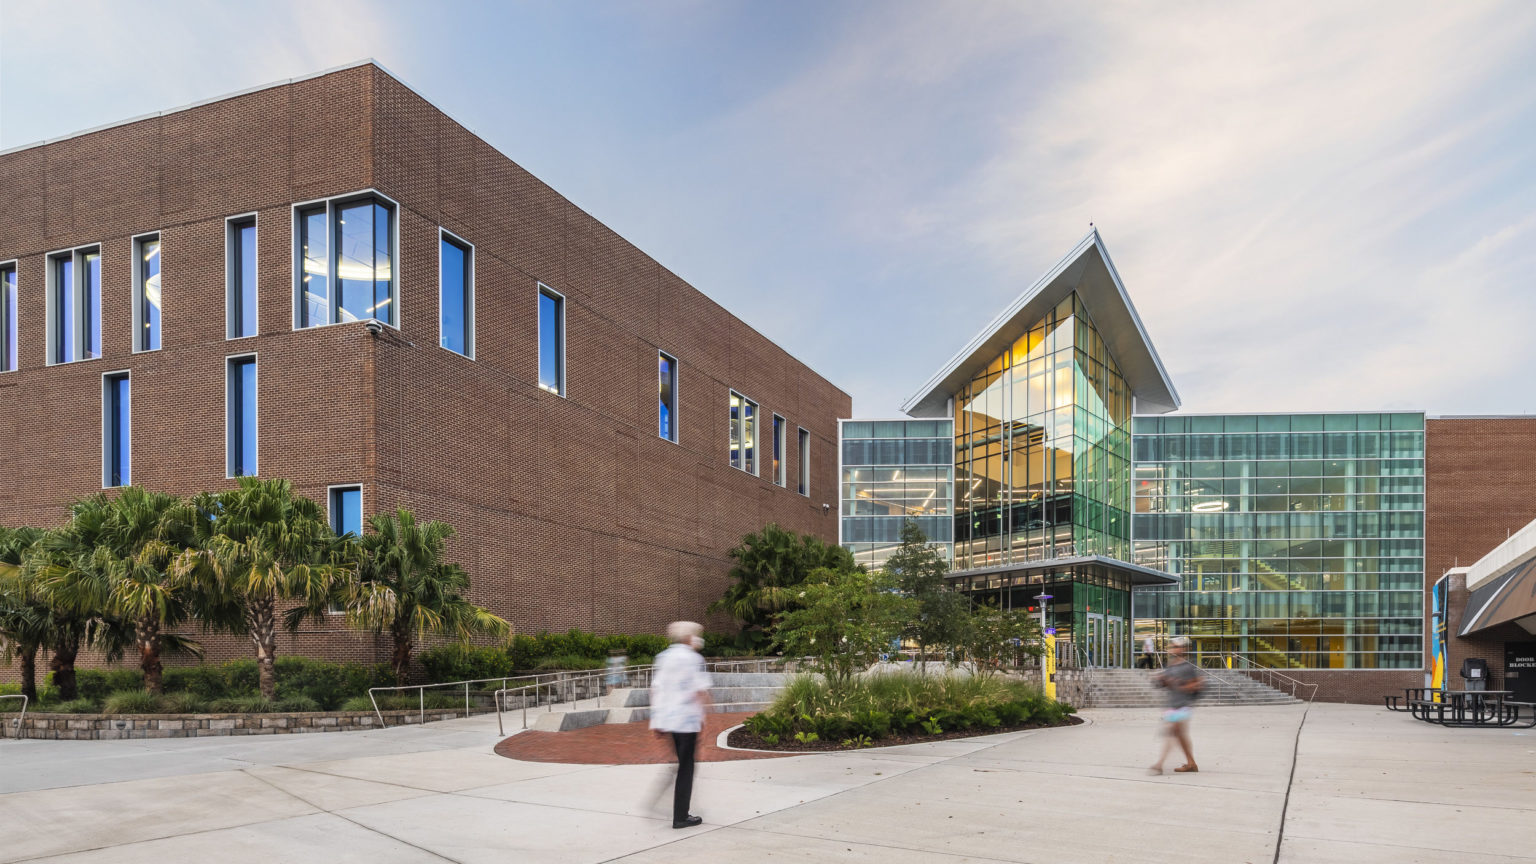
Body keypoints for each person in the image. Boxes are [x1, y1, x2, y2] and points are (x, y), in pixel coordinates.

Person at [649, 621, 712, 829]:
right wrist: (704, 717)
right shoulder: (693, 658)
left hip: (669, 720)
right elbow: (700, 690)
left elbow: (656, 689)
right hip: (687, 721)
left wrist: (657, 721)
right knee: (686, 767)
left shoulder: (664, 657)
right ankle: (681, 816)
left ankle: (671, 806)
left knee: (680, 763)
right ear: (689, 637)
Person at [1150, 636, 1201, 775]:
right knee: (1180, 736)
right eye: (1173, 646)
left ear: (1184, 649)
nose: (1174, 649)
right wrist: (1161, 680)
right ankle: (1191, 763)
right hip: (1172, 705)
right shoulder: (1171, 666)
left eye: (1177, 646)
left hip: (1183, 705)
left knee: (1172, 731)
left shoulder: (1188, 667)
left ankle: (1159, 764)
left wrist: (1182, 685)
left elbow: (1197, 684)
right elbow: (1164, 684)